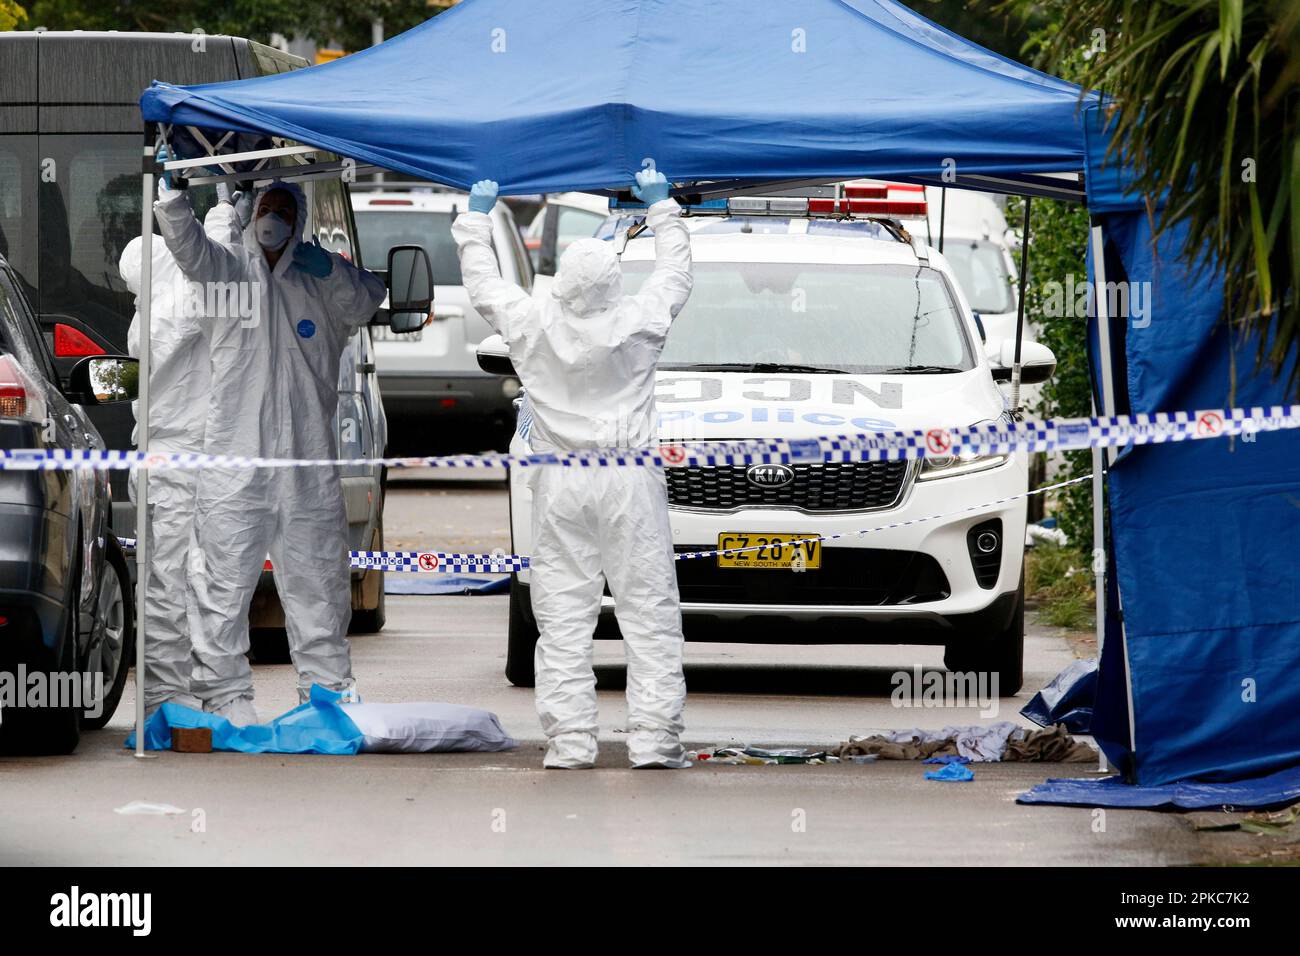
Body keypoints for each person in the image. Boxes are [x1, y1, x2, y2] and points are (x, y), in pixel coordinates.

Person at [452, 167, 693, 769]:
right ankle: (654, 742)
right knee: (648, 614)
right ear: (615, 284)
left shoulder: (534, 322)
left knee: (562, 616)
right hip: (629, 480)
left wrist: (477, 216)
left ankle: (571, 742)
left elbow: (483, 284)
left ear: (560, 284)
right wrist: (661, 209)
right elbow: (675, 274)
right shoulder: (638, 322)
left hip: (562, 479)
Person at [152, 150, 386, 725]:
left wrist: (328, 266)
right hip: (235, 461)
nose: (273, 216)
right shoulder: (229, 274)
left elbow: (367, 298)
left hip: (306, 464)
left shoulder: (320, 281)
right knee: (221, 583)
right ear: (253, 212)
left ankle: (326, 694)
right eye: (266, 206)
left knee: (318, 583)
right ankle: (226, 698)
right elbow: (190, 252)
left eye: (284, 208)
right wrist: (172, 198)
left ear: (299, 219)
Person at [119, 178, 249, 717]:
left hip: (177, 455)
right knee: (180, 582)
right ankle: (172, 699)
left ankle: (180, 696)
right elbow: (207, 276)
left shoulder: (150, 310)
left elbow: (206, 271)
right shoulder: (168, 310)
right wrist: (221, 214)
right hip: (178, 457)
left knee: (183, 579)